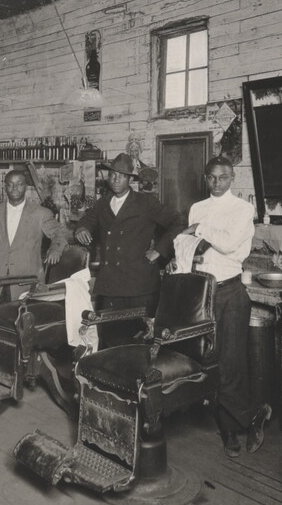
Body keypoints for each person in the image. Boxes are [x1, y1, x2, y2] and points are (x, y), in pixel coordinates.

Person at [180, 157, 271, 458]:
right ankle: (248, 416)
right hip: (201, 290)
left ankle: (234, 427)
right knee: (209, 359)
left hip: (230, 292)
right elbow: (189, 246)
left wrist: (200, 230)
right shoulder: (197, 208)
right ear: (205, 178)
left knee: (231, 362)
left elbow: (231, 245)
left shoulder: (242, 210)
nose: (217, 183)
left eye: (223, 177)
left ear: (233, 178)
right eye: (211, 178)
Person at [73, 152, 184, 349]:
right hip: (111, 286)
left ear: (130, 179)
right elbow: (85, 221)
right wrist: (82, 229)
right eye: (113, 175)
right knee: (109, 342)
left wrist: (159, 250)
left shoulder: (145, 202)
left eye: (122, 176)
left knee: (140, 344)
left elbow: (178, 222)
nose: (116, 179)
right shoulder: (102, 203)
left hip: (139, 285)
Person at [0, 169, 68, 304]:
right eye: (10, 184)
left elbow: (60, 233)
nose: (15, 188)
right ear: (5, 187)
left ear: (26, 188)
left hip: (26, 286)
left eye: (19, 184)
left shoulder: (40, 213)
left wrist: (55, 249)